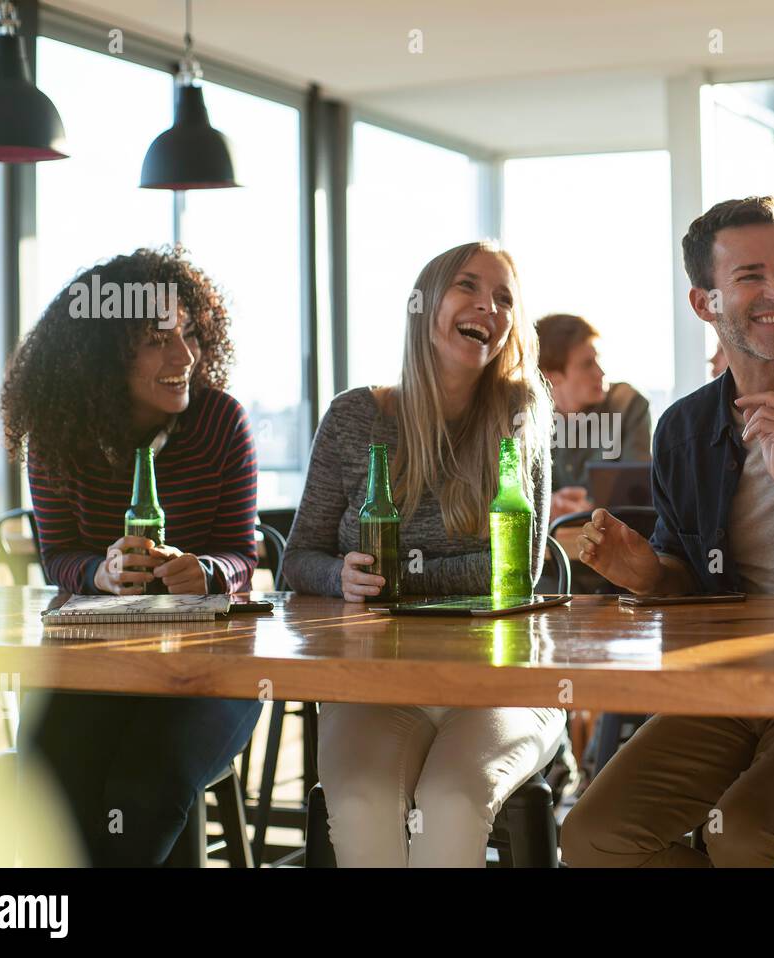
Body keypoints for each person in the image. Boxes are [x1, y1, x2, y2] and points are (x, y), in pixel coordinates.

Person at [559, 197, 774, 867]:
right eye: (750, 277)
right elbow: (687, 580)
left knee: (738, 833)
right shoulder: (684, 429)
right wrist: (648, 575)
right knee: (591, 839)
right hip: (731, 691)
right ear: (705, 303)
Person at [282, 240, 565, 867]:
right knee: (358, 800)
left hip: (503, 683)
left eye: (504, 299)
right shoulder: (355, 417)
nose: (487, 306)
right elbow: (297, 558)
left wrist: (396, 582)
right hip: (376, 682)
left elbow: (517, 573)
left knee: (452, 802)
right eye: (468, 287)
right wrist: (342, 576)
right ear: (426, 306)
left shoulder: (520, 416)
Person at [0, 247, 261, 865]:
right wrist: (99, 571)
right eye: (157, 340)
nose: (185, 357)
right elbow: (58, 553)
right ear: (102, 354)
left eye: (190, 334)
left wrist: (210, 571)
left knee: (141, 789)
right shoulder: (58, 434)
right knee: (46, 783)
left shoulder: (223, 422)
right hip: (98, 665)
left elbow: (243, 554)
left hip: (213, 673)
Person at [535, 314, 652, 522]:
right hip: (555, 543)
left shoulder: (628, 405)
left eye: (597, 359)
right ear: (551, 375)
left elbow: (636, 494)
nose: (601, 372)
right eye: (587, 364)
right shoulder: (528, 421)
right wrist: (547, 503)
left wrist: (584, 508)